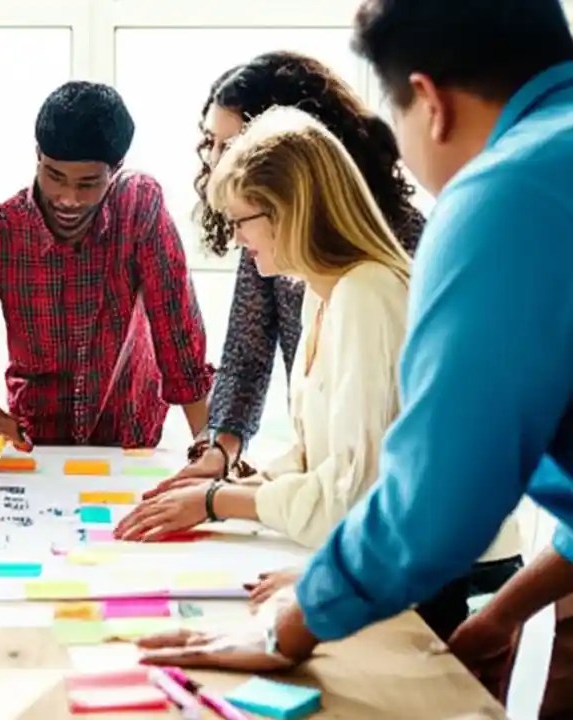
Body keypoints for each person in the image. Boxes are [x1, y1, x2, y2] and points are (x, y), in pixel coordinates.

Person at [137, 2, 573, 714]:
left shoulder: (503, 193)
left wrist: (291, 624)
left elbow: (436, 496)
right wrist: (506, 609)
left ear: (429, 102)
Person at [113, 106, 523, 638]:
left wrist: (217, 502)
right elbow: (321, 460)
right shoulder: (321, 293)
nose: (237, 239)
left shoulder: (367, 294)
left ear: (288, 212)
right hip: (402, 559)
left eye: (242, 221)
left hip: (453, 575)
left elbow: (353, 493)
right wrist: (236, 483)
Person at [0, 80, 212, 449]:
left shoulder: (139, 206)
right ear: (38, 155)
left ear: (115, 169)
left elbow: (178, 337)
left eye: (88, 184)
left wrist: (208, 444)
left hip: (131, 439)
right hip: (38, 444)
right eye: (55, 177)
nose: (68, 198)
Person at [176, 51, 424, 482]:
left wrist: (230, 498)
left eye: (230, 146)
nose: (215, 162)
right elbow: (246, 356)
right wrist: (221, 451)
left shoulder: (373, 277)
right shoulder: (278, 245)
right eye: (210, 143)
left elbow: (361, 470)